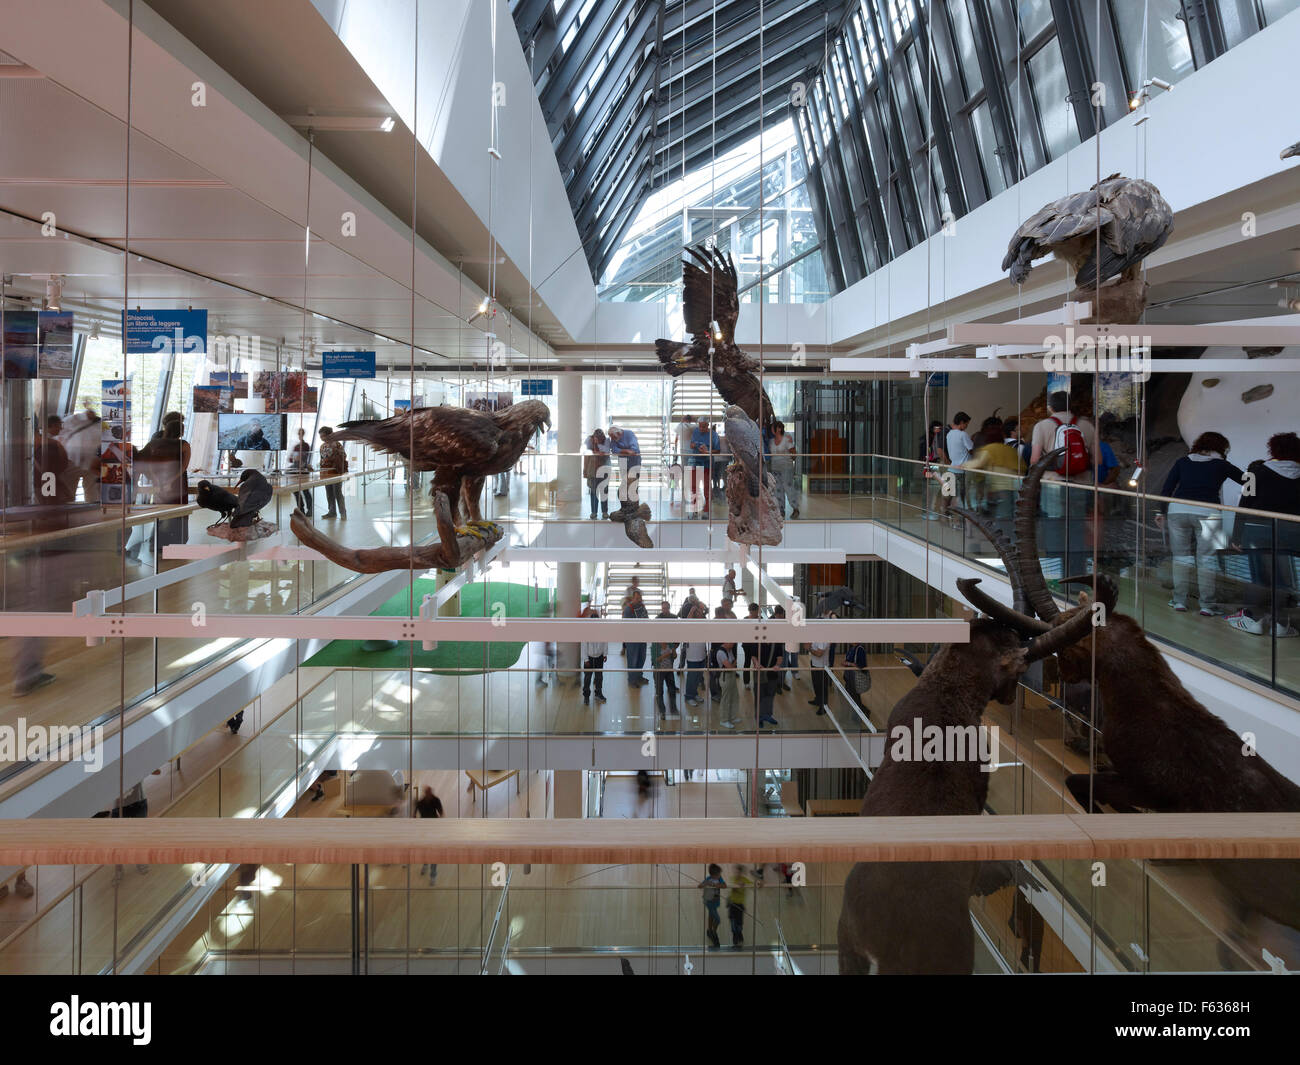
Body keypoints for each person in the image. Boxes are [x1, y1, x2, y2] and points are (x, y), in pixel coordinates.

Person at [1157, 431, 1244, 616]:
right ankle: (1207, 605)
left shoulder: (1182, 462)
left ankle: (1179, 601)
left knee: (1180, 557)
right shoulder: (1222, 465)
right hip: (1208, 512)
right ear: (1220, 448)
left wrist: (1161, 512)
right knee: (1207, 559)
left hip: (1177, 510)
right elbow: (1247, 480)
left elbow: (1167, 489)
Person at [1227, 432, 1300, 637]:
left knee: (1259, 577)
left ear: (1273, 449)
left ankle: (1254, 620)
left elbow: (1245, 505)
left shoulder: (1257, 472)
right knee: (1283, 579)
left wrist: (1237, 536)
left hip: (1257, 532)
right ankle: (1280, 623)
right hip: (1292, 533)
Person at [1030, 393, 1096, 576]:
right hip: (1081, 487)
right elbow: (1097, 460)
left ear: (1050, 407)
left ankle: (1055, 579)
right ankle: (1075, 579)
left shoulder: (1042, 426)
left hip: (1053, 485)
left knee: (1054, 531)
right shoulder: (1086, 426)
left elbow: (1035, 460)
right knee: (1076, 532)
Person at [136, 412, 190, 551]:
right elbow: (183, 467)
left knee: (162, 513)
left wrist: (155, 478)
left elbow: (143, 461)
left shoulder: (155, 440)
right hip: (175, 484)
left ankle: (157, 544)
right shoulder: (181, 444)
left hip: (160, 482)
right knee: (175, 513)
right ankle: (172, 544)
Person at [965, 419, 1026, 522]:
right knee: (1010, 513)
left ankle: (1003, 535)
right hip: (1017, 487)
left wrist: (962, 465)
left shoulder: (990, 448)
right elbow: (1023, 467)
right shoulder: (1010, 449)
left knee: (1003, 516)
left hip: (1000, 487)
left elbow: (977, 464)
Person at [652, 601, 680, 718]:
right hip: (659, 670)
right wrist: (666, 654)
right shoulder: (655, 645)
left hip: (668, 669)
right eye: (663, 608)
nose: (665, 610)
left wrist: (673, 651)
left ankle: (673, 709)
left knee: (672, 690)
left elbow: (674, 656)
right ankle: (662, 711)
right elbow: (655, 660)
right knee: (659, 691)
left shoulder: (670, 643)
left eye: (666, 608)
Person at [689, 417, 720, 517]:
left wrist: (707, 451)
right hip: (695, 462)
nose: (701, 428)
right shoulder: (695, 432)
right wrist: (694, 445)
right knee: (694, 487)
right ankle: (694, 509)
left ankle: (706, 510)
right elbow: (691, 444)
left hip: (707, 464)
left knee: (707, 487)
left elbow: (718, 450)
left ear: (708, 425)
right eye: (700, 426)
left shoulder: (714, 435)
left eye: (703, 426)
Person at [768, 420, 799, 518]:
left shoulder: (787, 439)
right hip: (775, 468)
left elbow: (794, 454)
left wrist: (791, 458)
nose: (772, 429)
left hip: (786, 467)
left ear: (778, 429)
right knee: (778, 489)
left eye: (773, 427)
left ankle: (795, 508)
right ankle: (781, 510)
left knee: (788, 487)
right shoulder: (771, 441)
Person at [944, 411, 974, 512]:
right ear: (961, 422)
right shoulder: (963, 434)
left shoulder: (949, 434)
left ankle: (945, 512)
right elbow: (971, 449)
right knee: (962, 495)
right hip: (963, 469)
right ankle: (960, 515)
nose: (966, 426)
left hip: (952, 467)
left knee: (949, 493)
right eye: (966, 424)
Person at [608, 425, 642, 510]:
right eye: (611, 437)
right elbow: (614, 450)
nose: (612, 439)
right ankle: (624, 508)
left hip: (634, 463)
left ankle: (635, 509)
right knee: (624, 486)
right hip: (623, 464)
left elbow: (634, 450)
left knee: (633, 486)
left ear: (619, 433)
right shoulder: (614, 437)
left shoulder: (629, 434)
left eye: (613, 437)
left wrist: (621, 451)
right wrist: (626, 450)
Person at [318, 426, 349, 519]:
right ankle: (332, 512)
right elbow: (322, 459)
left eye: (323, 436)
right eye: (320, 436)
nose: (322, 438)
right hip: (326, 473)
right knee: (329, 493)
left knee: (337, 493)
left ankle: (343, 513)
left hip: (336, 473)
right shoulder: (322, 446)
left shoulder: (337, 444)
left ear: (329, 435)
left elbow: (343, 456)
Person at [415, 784, 444, 884]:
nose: (430, 794)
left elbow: (441, 812)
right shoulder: (420, 803)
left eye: (430, 793)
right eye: (428, 793)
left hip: (434, 828)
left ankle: (433, 874)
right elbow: (414, 815)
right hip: (424, 829)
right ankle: (425, 864)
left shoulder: (436, 800)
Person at [683, 602, 709, 708]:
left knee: (698, 677)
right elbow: (686, 622)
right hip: (692, 656)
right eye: (697, 611)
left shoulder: (703, 622)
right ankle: (689, 696)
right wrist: (692, 610)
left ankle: (694, 694)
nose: (700, 613)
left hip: (702, 654)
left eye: (700, 611)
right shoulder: (690, 623)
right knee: (692, 677)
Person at [581, 612, 608, 706]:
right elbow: (584, 646)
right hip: (589, 658)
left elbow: (605, 642)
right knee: (587, 678)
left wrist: (605, 654)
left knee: (599, 677)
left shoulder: (602, 631)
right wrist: (585, 660)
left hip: (599, 657)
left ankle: (598, 693)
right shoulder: (586, 631)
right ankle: (586, 696)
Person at [623, 589, 649, 686]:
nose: (639, 600)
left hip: (642, 638)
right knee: (633, 660)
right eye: (637, 598)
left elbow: (646, 619)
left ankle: (639, 676)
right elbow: (626, 626)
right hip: (632, 640)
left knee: (641, 658)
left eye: (640, 598)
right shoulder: (628, 609)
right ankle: (632, 680)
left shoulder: (642, 607)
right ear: (632, 598)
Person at [698, 863, 726, 949]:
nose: (720, 875)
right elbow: (699, 886)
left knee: (711, 915)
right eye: (718, 874)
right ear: (713, 875)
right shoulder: (708, 879)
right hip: (709, 902)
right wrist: (705, 884)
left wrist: (715, 885)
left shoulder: (719, 879)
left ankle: (710, 930)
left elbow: (724, 885)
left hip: (716, 901)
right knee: (717, 919)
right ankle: (714, 932)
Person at [584, 428, 610, 519]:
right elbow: (586, 455)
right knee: (593, 492)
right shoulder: (589, 440)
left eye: (599, 439)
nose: (597, 440)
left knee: (604, 491)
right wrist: (585, 470)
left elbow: (606, 451)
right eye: (596, 438)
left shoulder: (606, 440)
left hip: (604, 469)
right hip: (592, 469)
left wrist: (598, 445)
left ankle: (604, 512)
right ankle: (594, 512)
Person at [289, 427, 313, 516]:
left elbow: (304, 457)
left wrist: (297, 458)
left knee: (305, 490)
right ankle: (301, 510)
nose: (300, 435)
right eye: (299, 433)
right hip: (295, 470)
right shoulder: (296, 446)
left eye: (301, 433)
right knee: (296, 490)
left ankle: (310, 510)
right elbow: (291, 459)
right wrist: (294, 457)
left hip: (303, 470)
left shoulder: (305, 445)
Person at [726, 864, 752, 948]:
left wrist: (759, 883)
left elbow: (753, 885)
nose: (736, 873)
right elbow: (730, 890)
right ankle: (735, 936)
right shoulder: (732, 879)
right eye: (735, 871)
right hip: (732, 904)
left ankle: (739, 934)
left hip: (740, 905)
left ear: (741, 873)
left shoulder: (744, 880)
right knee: (733, 922)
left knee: (739, 923)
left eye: (738, 872)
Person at [715, 642, 740, 729]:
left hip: (731, 675)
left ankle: (732, 717)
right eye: (732, 643)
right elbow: (730, 666)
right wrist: (733, 664)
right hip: (725, 677)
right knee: (726, 699)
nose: (733, 644)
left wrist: (733, 665)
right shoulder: (721, 652)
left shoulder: (729, 650)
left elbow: (733, 664)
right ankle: (724, 720)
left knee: (734, 696)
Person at [842, 639, 870, 713]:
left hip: (855, 678)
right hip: (850, 677)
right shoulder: (852, 648)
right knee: (853, 697)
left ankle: (863, 713)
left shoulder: (860, 649)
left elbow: (861, 665)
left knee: (854, 697)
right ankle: (859, 713)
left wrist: (848, 664)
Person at [809, 628, 831, 716]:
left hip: (822, 667)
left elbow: (819, 654)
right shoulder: (817, 636)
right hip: (815, 664)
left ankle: (824, 707)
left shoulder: (823, 639)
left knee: (822, 687)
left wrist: (809, 649)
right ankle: (818, 700)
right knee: (816, 685)